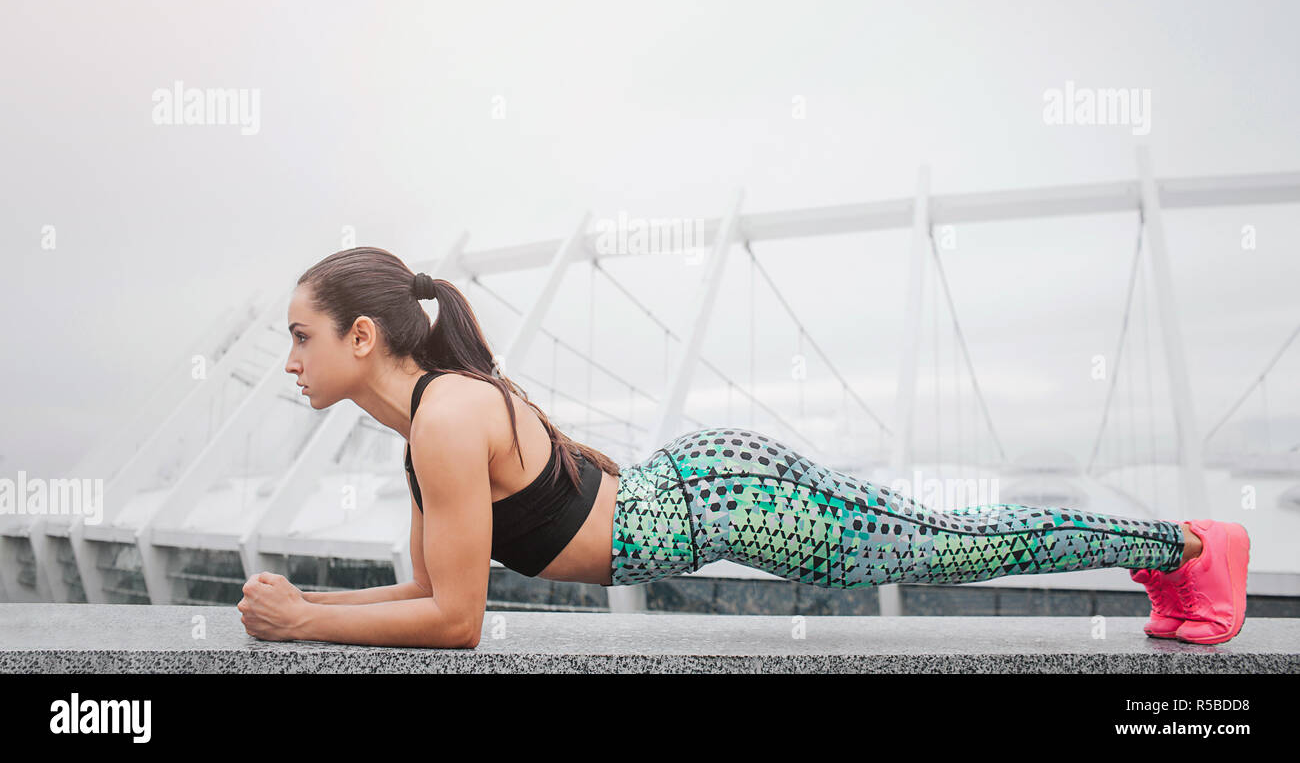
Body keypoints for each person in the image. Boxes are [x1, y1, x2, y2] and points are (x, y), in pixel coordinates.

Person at [238, 245, 1250, 650]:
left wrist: (300, 626)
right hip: (703, 485)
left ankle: (1190, 545)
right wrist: (305, 605)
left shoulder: (451, 418)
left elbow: (457, 620)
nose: (288, 358)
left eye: (299, 334)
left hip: (728, 501)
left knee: (946, 543)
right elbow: (424, 593)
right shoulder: (429, 431)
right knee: (941, 536)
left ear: (359, 336)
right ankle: (1175, 560)